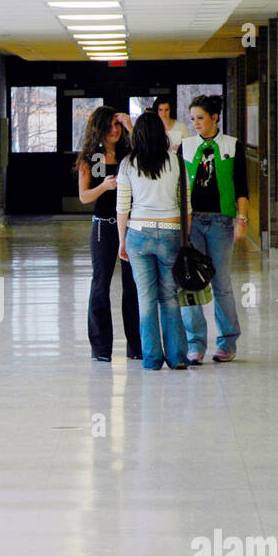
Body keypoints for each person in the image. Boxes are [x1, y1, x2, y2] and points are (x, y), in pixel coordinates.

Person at [115, 111, 189, 371]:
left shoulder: (127, 164)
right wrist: (184, 239)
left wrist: (122, 240)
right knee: (169, 297)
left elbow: (122, 207)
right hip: (170, 233)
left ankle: (152, 359)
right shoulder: (175, 161)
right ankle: (178, 357)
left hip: (138, 234)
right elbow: (185, 205)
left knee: (145, 299)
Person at [179, 94, 249, 363]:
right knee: (191, 281)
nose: (196, 123)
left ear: (215, 118)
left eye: (200, 118)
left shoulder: (232, 145)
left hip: (221, 221)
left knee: (221, 283)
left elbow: (241, 187)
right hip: (192, 221)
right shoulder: (184, 147)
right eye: (193, 119)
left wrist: (241, 220)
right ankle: (195, 343)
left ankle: (228, 341)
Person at [76, 105, 141, 362]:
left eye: (118, 126)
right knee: (101, 284)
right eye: (111, 126)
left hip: (130, 225)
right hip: (104, 225)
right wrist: (103, 186)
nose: (115, 131)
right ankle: (101, 348)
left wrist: (132, 127)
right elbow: (83, 197)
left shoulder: (128, 155)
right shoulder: (92, 158)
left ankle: (136, 346)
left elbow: (148, 153)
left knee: (132, 286)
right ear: (100, 128)